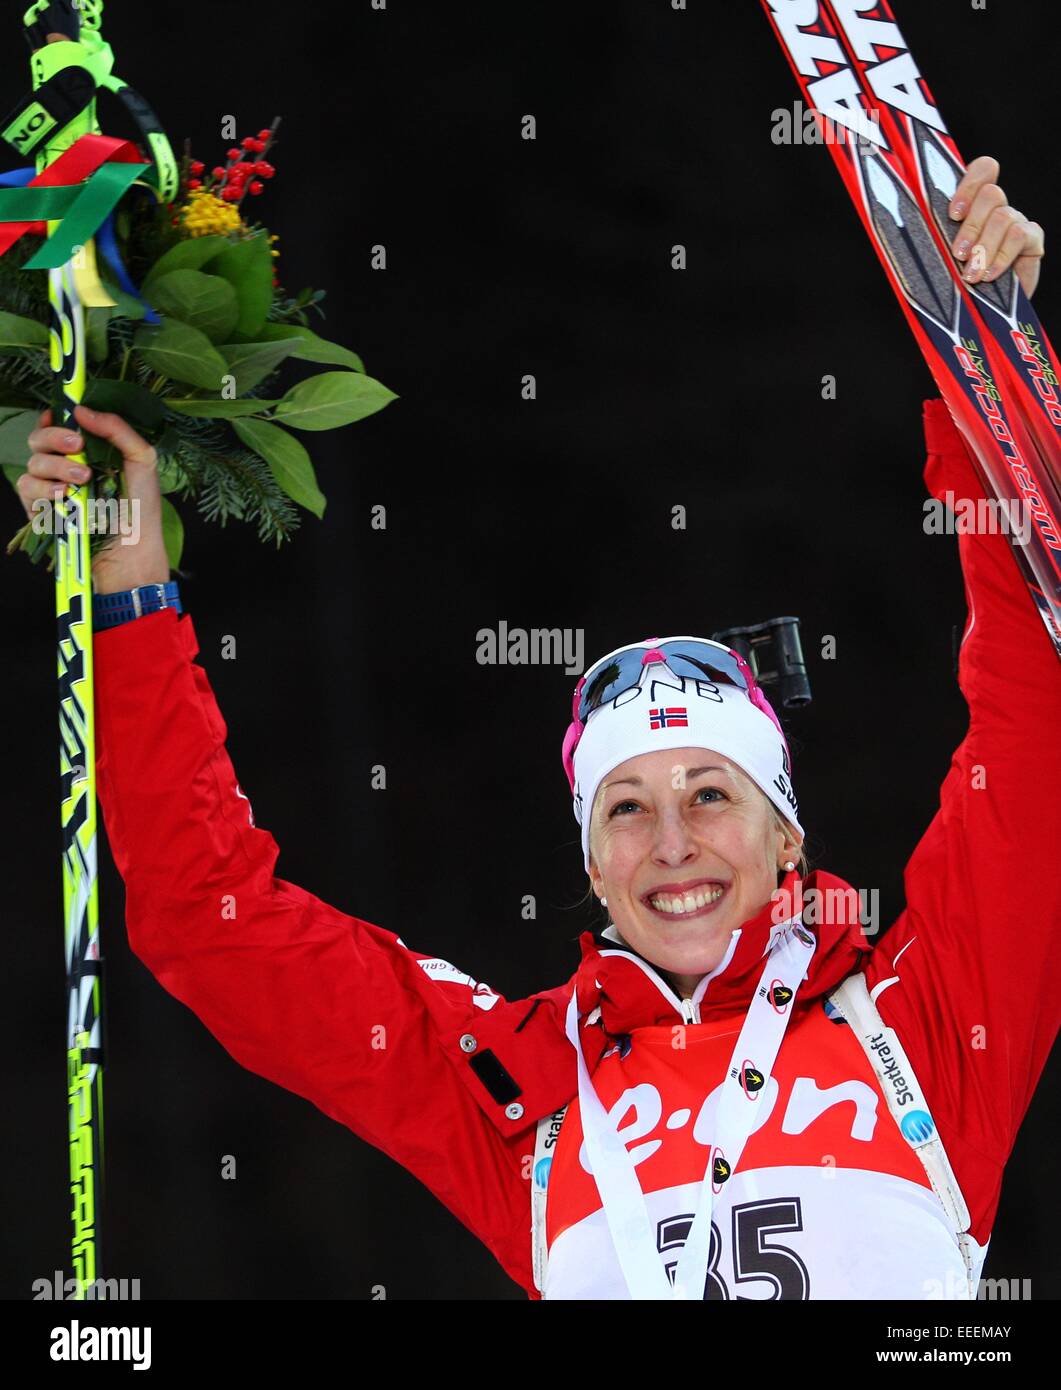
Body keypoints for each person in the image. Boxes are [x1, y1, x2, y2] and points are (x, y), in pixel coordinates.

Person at [14, 158, 1058, 1300]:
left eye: (709, 792)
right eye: (627, 807)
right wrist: (128, 596)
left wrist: (988, 361)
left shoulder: (928, 1013)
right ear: (590, 865)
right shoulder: (518, 1092)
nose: (670, 842)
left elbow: (1035, 713)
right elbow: (214, 923)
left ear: (786, 837)